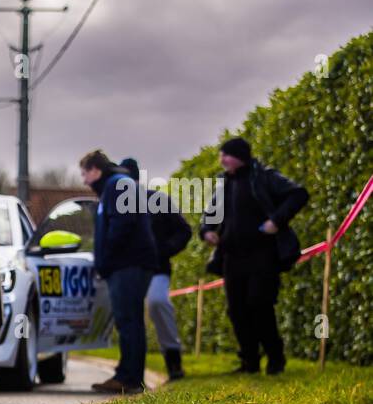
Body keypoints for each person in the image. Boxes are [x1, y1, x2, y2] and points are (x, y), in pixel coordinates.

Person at [199, 137, 308, 375]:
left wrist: (277, 221)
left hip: (263, 253)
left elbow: (298, 194)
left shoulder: (265, 177)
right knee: (236, 309)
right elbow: (211, 214)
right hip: (232, 256)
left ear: (239, 155)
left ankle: (275, 358)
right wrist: (206, 231)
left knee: (260, 304)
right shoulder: (224, 184)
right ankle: (249, 361)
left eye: (225, 154)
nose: (221, 159)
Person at [79, 149, 159, 394]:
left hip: (128, 264)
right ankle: (127, 374)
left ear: (96, 170)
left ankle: (130, 378)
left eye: (85, 173)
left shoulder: (118, 185)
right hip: (127, 264)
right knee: (129, 320)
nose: (84, 180)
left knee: (128, 320)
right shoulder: (115, 186)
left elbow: (121, 226)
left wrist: (107, 259)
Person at [119, 157, 192, 380]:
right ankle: (128, 368)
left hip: (156, 268)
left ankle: (173, 359)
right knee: (127, 315)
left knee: (158, 303)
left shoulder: (158, 200)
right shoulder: (114, 205)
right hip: (126, 271)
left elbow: (183, 231)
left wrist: (164, 250)